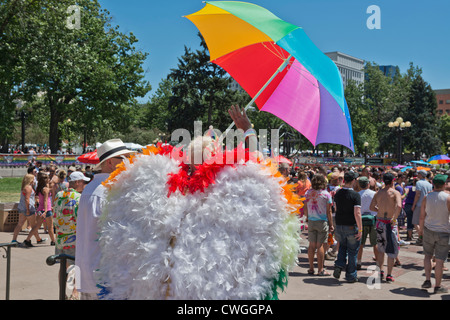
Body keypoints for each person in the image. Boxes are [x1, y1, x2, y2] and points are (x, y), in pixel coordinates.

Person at [75, 139, 136, 300]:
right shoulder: (106, 191)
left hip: (90, 272)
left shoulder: (92, 187)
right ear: (110, 163)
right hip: (102, 275)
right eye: (124, 159)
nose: (128, 164)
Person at [54, 171, 91, 300]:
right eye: (83, 182)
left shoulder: (58, 195)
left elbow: (55, 214)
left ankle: (62, 293)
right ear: (77, 182)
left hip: (60, 237)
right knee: (77, 266)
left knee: (63, 266)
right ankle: (75, 292)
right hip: (74, 237)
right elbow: (80, 218)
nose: (84, 184)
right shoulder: (78, 198)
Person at [419, 174, 450, 294]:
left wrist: (421, 231)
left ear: (433, 184)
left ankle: (427, 280)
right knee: (440, 260)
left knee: (427, 256)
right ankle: (438, 285)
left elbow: (422, 216)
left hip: (428, 229)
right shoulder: (447, 198)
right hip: (443, 231)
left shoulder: (427, 197)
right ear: (444, 184)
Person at [369, 172, 402, 282]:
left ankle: (380, 271)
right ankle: (389, 274)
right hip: (389, 223)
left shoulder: (378, 193)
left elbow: (372, 207)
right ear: (393, 181)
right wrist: (394, 218)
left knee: (381, 248)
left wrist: (380, 210)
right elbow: (399, 206)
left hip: (380, 222)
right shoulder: (395, 193)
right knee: (391, 249)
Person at [333, 171, 362, 283]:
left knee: (342, 247)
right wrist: (360, 229)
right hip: (351, 225)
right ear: (353, 181)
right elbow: (357, 213)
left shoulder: (338, 193)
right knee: (353, 251)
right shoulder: (355, 195)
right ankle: (351, 275)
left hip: (340, 224)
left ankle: (339, 265)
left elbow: (336, 208)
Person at [304, 174, 333, 276]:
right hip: (322, 221)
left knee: (311, 245)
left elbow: (305, 206)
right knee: (320, 245)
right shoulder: (326, 195)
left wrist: (306, 217)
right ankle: (320, 269)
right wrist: (331, 224)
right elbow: (329, 211)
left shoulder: (308, 193)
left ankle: (311, 268)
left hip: (311, 220)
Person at [28, 173, 56, 246]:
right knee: (50, 227)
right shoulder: (46, 189)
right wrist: (46, 211)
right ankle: (53, 241)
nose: (49, 179)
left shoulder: (40, 188)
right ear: (45, 180)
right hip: (46, 210)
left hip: (40, 210)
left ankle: (27, 239)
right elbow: (45, 200)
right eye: (47, 178)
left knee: (36, 226)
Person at [12, 174, 42, 244]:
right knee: (34, 226)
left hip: (22, 207)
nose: (34, 180)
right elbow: (27, 199)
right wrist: (28, 210)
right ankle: (33, 239)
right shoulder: (28, 187)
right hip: (29, 208)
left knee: (20, 224)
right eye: (33, 179)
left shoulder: (24, 187)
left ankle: (14, 239)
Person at [356, 176, 378, 270]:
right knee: (375, 243)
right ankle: (378, 262)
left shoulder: (357, 194)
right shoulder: (374, 194)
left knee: (360, 243)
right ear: (368, 184)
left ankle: (358, 262)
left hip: (361, 220)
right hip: (373, 218)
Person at [412, 170, 433, 245]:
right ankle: (422, 237)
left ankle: (422, 237)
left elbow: (418, 194)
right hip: (427, 205)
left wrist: (413, 205)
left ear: (420, 175)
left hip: (419, 204)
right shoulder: (429, 184)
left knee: (415, 222)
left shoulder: (419, 183)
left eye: (418, 173)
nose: (417, 174)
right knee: (424, 222)